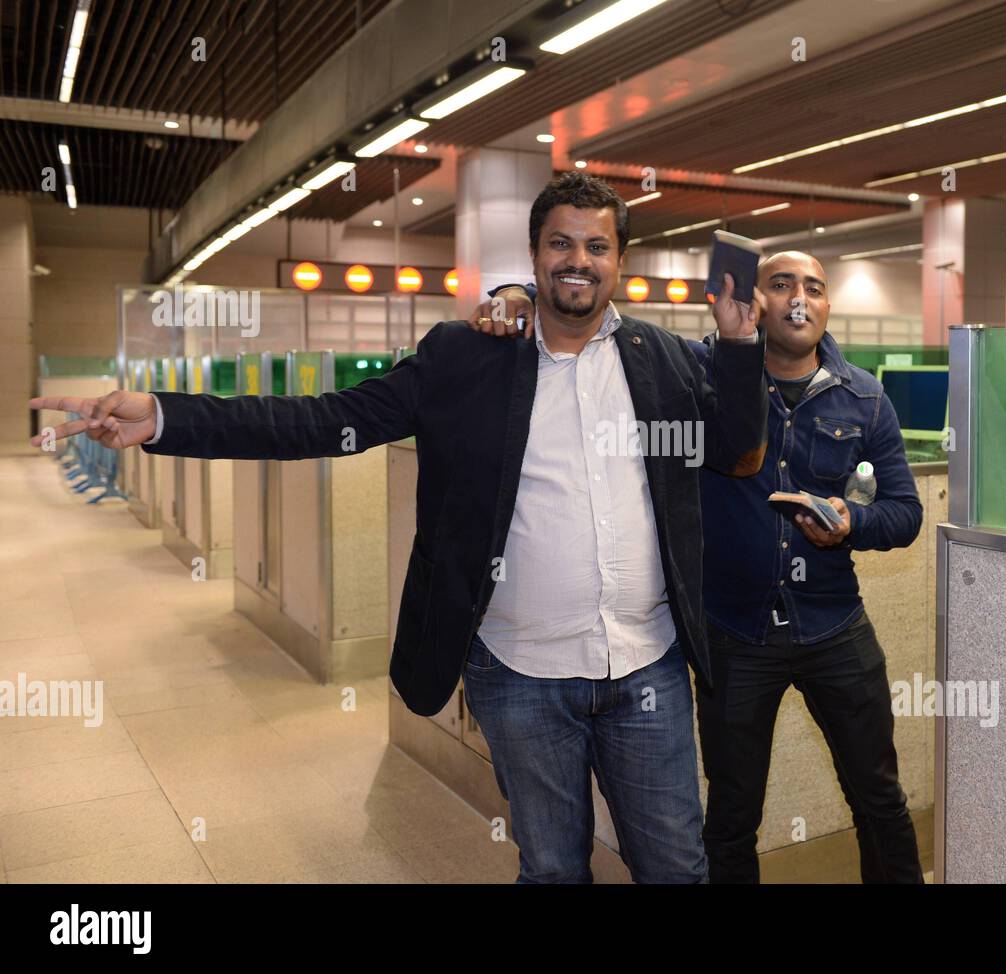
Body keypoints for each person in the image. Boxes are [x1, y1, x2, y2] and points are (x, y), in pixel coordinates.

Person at [29, 172, 770, 885]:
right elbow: (327, 419)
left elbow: (738, 453)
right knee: (551, 868)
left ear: (620, 262)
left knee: (678, 868)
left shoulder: (664, 361)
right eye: (560, 244)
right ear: (536, 254)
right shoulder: (468, 357)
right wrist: (165, 416)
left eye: (596, 247)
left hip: (649, 668)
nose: (578, 260)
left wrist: (739, 347)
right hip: (518, 674)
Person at [475, 249, 925, 883]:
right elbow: (596, 314)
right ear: (752, 301)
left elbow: (906, 513)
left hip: (835, 629)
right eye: (782, 284)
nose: (800, 298)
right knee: (732, 815)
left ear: (827, 306)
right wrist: (516, 292)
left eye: (815, 288)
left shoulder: (865, 398)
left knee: (880, 799)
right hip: (733, 638)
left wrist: (854, 523)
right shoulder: (696, 370)